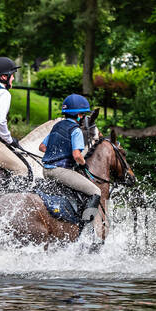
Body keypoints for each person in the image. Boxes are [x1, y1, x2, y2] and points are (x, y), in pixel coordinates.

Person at [39, 94, 105, 236]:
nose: (82, 118)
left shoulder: (57, 126)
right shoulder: (75, 130)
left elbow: (42, 147)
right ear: (79, 115)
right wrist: (83, 164)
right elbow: (77, 155)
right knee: (96, 191)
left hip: (45, 171)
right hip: (61, 171)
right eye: (82, 115)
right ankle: (87, 231)